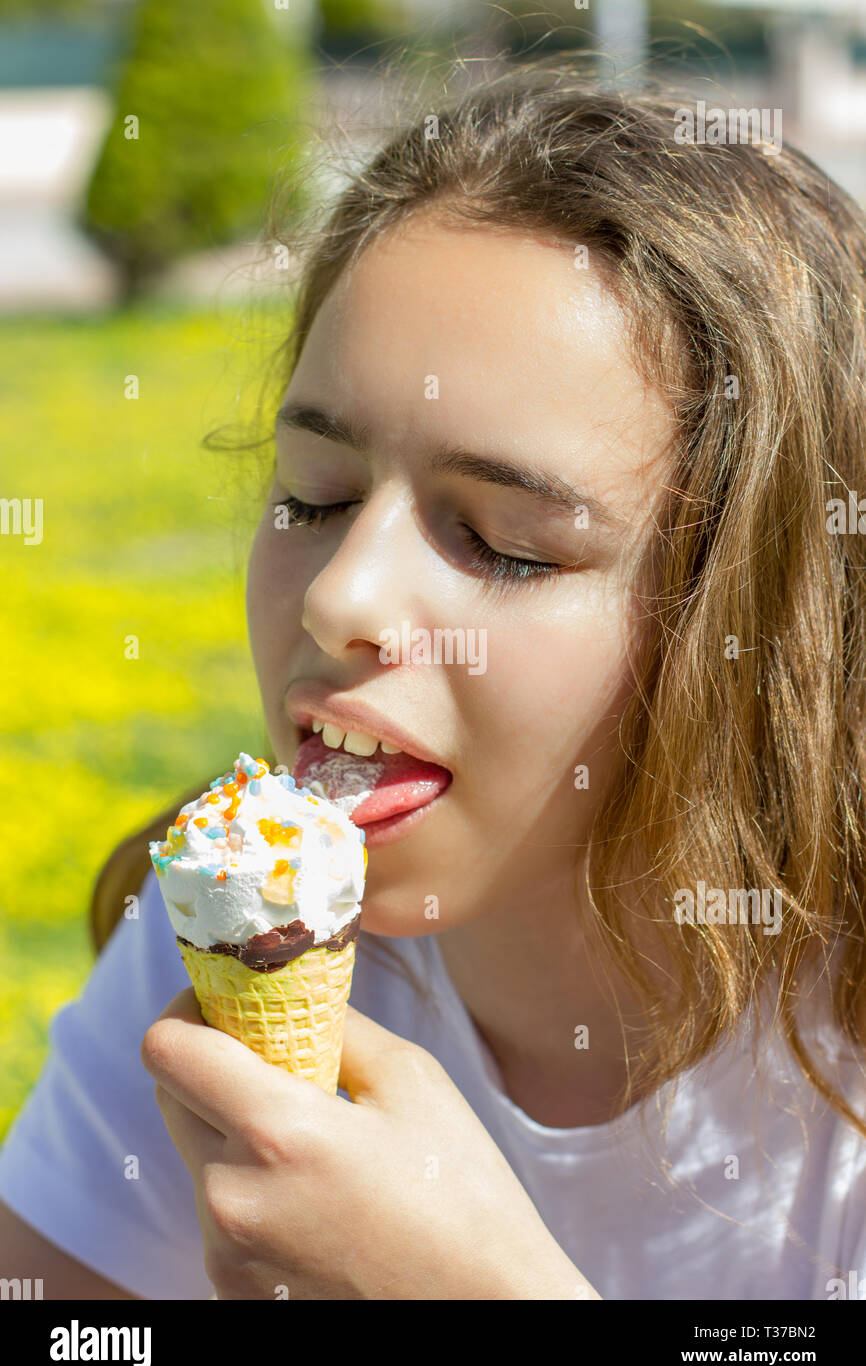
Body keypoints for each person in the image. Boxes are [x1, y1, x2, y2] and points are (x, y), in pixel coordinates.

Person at [2, 55, 866, 1301]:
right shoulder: (211, 941)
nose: (338, 595)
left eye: (503, 545)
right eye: (312, 494)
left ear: (760, 627)